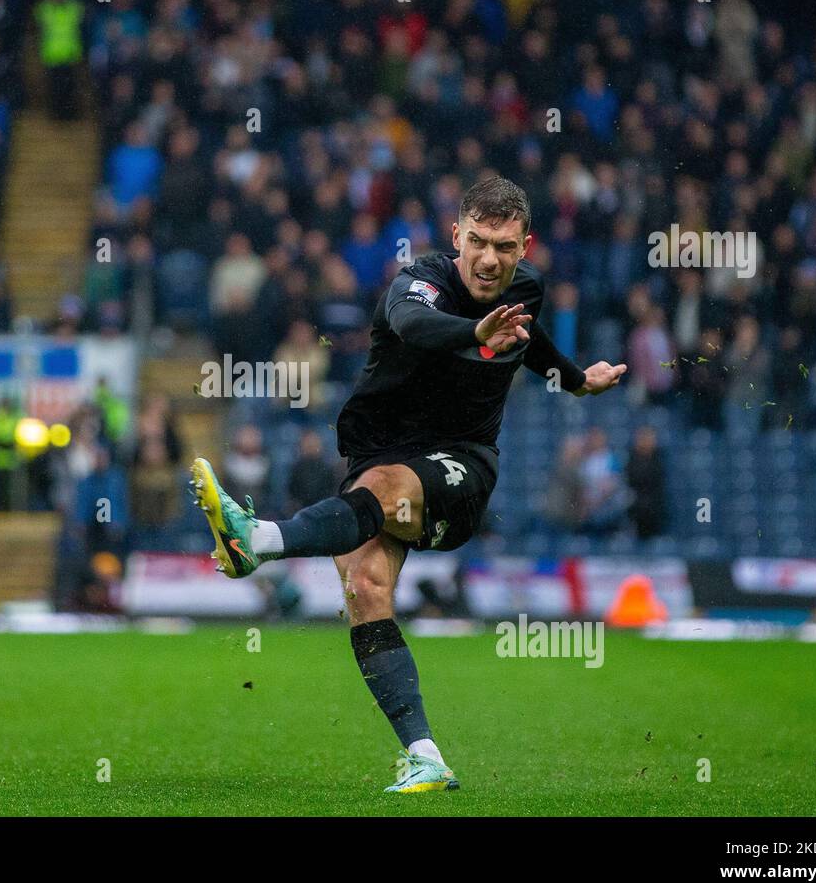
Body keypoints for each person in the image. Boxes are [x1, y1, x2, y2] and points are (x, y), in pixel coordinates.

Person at [189, 176, 625, 793]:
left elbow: (532, 344)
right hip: (378, 456)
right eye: (478, 241)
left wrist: (579, 380)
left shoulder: (527, 290)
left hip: (462, 464)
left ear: (525, 246)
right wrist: (475, 334)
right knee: (365, 588)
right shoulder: (415, 284)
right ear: (457, 236)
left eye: (504, 246)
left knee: (390, 485)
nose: (489, 259)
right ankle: (425, 754)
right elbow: (417, 327)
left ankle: (256, 539)